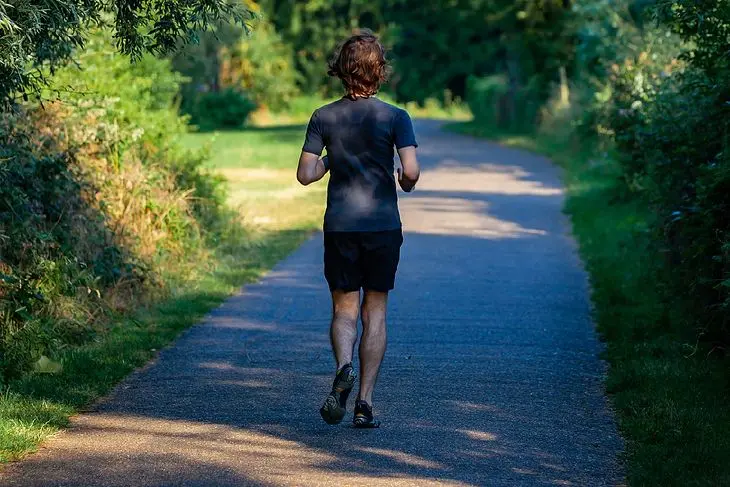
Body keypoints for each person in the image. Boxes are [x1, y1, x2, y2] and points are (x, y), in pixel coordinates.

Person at [296, 30, 420, 428]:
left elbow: (305, 175)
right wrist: (406, 181)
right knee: (376, 311)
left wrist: (331, 159)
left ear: (342, 71)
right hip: (382, 227)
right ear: (378, 71)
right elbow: (411, 171)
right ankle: (364, 405)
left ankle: (343, 366)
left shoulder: (323, 116)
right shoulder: (396, 117)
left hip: (341, 228)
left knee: (343, 310)